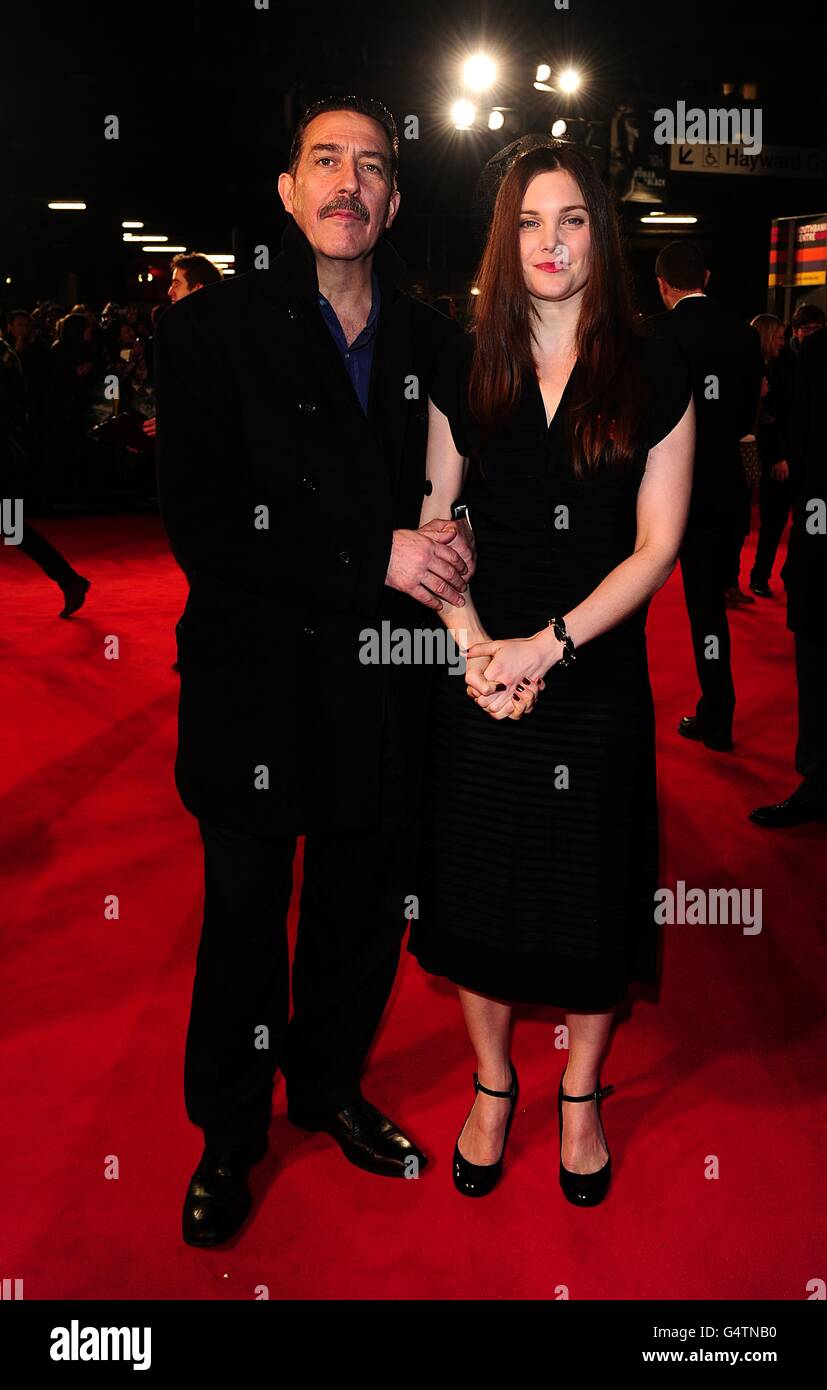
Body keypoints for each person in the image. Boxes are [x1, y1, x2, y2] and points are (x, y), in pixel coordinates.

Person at [154, 94, 469, 1247]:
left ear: (392, 201)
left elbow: (476, 460)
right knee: (243, 924)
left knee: (357, 913)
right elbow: (205, 525)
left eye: (372, 166)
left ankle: (328, 1085)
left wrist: (459, 528)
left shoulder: (434, 338)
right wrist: (377, 550)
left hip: (386, 684)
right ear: (287, 190)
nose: (349, 182)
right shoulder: (208, 332)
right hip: (254, 686)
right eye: (324, 161)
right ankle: (228, 1133)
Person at [406, 138, 695, 1207]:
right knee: (476, 883)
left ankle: (578, 1089)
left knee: (587, 892)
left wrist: (548, 645)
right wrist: (475, 648)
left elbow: (655, 546)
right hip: (479, 666)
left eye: (571, 219)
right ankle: (493, 1081)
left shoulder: (652, 367)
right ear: (503, 236)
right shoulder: (460, 359)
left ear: (600, 235)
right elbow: (436, 523)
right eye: (529, 220)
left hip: (593, 671)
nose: (549, 241)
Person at [643, 242, 764, 751]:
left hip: (658, 493)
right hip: (722, 491)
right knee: (707, 609)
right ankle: (719, 711)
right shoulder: (743, 334)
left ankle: (616, 709)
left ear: (663, 284)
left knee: (628, 601)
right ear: (707, 277)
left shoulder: (657, 334)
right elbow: (746, 418)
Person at [750, 325, 827, 827]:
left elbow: (806, 441)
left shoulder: (818, 354)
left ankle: (819, 787)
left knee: (819, 669)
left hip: (821, 548)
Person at [0, 334, 90, 615]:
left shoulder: (3, 357)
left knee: (12, 528)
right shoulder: (5, 354)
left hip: (4, 456)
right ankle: (69, 580)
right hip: (9, 454)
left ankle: (70, 580)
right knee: (12, 529)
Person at [142, 255, 223, 441]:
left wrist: (175, 421)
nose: (170, 291)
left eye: (176, 284)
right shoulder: (187, 334)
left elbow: (221, 403)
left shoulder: (217, 339)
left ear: (197, 290)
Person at [749, 314, 794, 598]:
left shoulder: (785, 364)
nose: (783, 341)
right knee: (769, 520)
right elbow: (770, 417)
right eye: (779, 336)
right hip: (765, 455)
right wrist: (778, 455)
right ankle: (756, 577)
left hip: (775, 454)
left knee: (776, 521)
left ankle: (770, 576)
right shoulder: (762, 367)